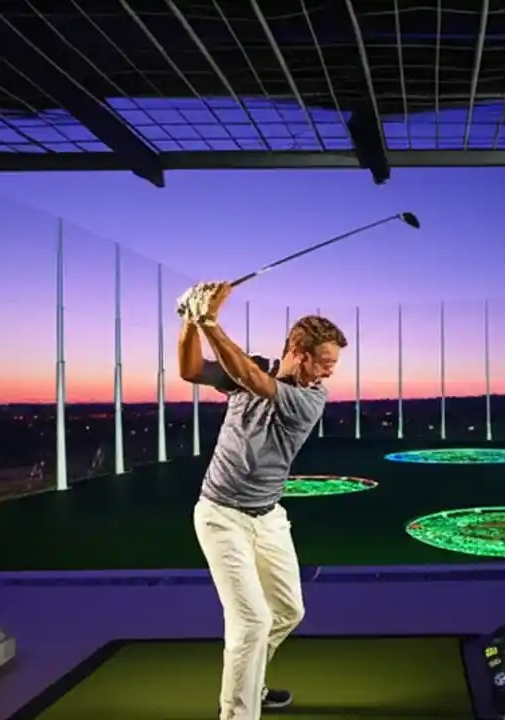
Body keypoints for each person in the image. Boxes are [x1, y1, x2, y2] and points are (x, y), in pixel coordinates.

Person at [177, 281, 347, 720]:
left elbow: (253, 380)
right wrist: (189, 324)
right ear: (298, 349)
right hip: (220, 516)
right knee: (251, 621)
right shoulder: (249, 366)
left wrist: (208, 320)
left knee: (288, 611)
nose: (328, 373)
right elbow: (191, 370)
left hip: (269, 518)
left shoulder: (311, 399)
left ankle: (254, 680)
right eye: (324, 363)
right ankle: (237, 713)